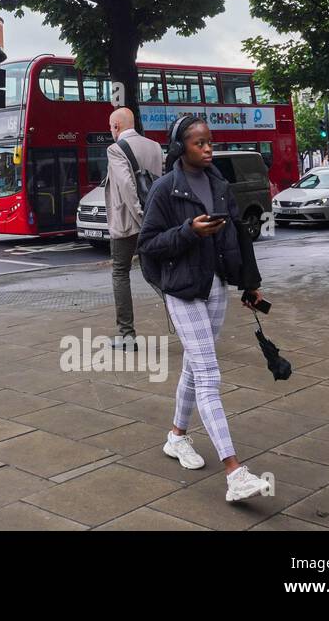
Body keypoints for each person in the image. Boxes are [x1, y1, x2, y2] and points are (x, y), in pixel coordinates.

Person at [139, 116, 271, 503]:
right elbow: (147, 244)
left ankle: (176, 437)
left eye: (210, 142)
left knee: (196, 367)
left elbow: (239, 236)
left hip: (215, 286)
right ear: (181, 147)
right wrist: (189, 231)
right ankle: (235, 472)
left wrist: (250, 282)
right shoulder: (166, 189)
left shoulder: (219, 184)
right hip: (182, 290)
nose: (208, 148)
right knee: (210, 373)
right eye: (200, 143)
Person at [104, 107, 163, 350]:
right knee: (160, 272)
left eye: (110, 127)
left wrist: (141, 217)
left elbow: (128, 187)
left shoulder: (115, 149)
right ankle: (189, 317)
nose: (110, 131)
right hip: (155, 220)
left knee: (120, 272)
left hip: (128, 223)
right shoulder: (155, 147)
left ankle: (127, 335)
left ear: (117, 126)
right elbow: (159, 183)